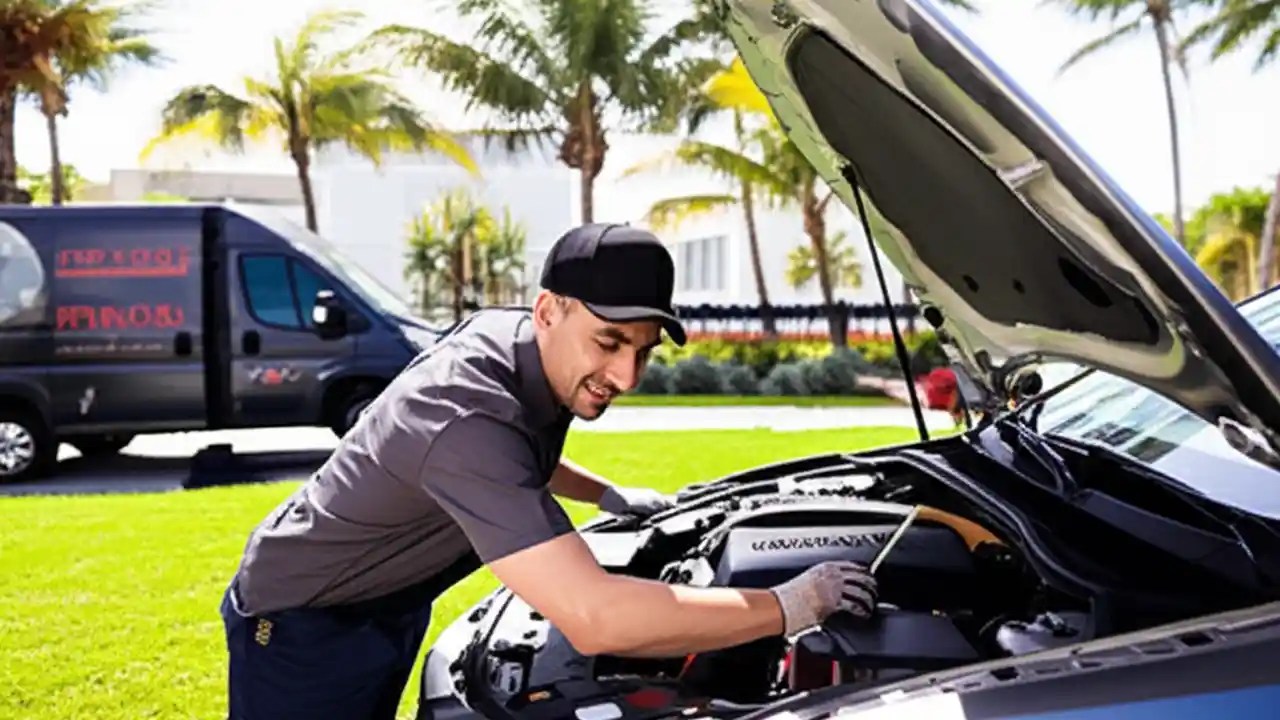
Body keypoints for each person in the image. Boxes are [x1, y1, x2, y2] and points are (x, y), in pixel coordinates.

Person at [219, 222, 878, 719]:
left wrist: (605, 494)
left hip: (387, 602)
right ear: (546, 312)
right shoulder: (461, 412)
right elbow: (596, 618)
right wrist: (793, 604)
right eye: (610, 342)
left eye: (642, 352)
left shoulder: (519, 348)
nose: (625, 376)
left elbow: (516, 449)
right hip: (304, 621)